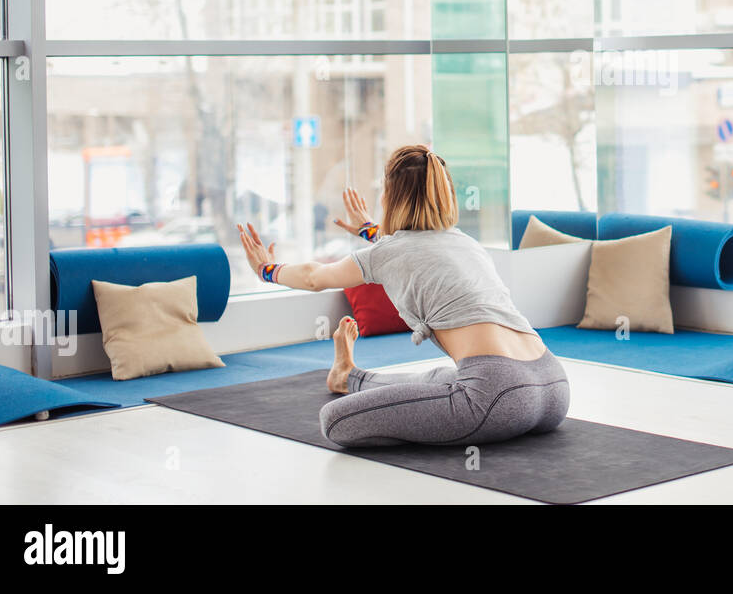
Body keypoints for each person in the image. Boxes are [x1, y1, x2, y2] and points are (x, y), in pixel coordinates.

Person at [235, 144, 569, 448]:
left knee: (335, 420)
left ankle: (349, 379)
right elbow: (416, 249)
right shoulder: (465, 243)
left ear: (390, 198)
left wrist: (267, 269)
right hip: (553, 387)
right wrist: (370, 231)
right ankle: (348, 375)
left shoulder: (390, 252)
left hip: (496, 397)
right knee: (439, 379)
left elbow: (313, 277)